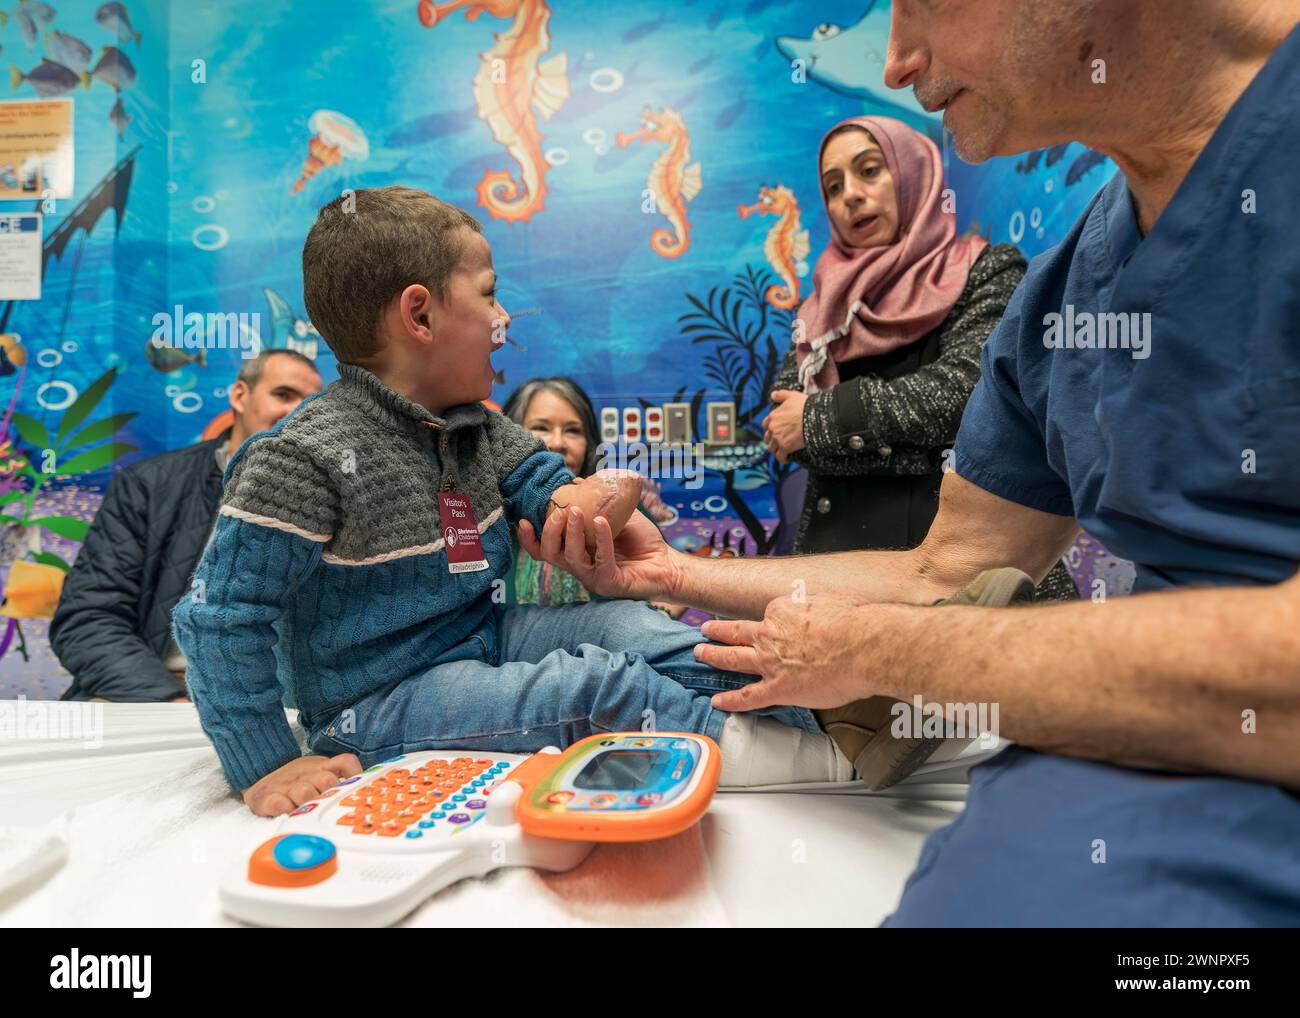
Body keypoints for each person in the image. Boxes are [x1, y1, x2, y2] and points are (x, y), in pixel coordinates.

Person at [522, 0, 1300, 925]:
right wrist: (671, 571)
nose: (894, 60)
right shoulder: (1063, 301)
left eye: (921, 3)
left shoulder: (992, 281)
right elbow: (948, 569)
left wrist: (889, 649)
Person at [172, 186, 857, 819]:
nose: (503, 319)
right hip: (375, 701)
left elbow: (554, 491)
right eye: (490, 295)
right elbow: (218, 615)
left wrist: (596, 497)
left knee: (631, 630)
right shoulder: (301, 456)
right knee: (593, 690)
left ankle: (835, 710)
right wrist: (264, 765)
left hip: (485, 636)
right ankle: (829, 762)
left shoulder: (479, 427)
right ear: (420, 314)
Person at [51, 349, 321, 703]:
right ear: (240, 395)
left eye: (311, 405)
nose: (297, 412)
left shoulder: (326, 498)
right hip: (153, 688)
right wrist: (169, 701)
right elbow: (87, 618)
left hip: (273, 699)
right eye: (283, 395)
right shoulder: (150, 484)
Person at [501, 376, 680, 613]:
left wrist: (652, 627)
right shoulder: (488, 521)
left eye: (573, 431)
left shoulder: (622, 513)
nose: (557, 443)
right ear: (508, 439)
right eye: (541, 428)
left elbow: (668, 588)